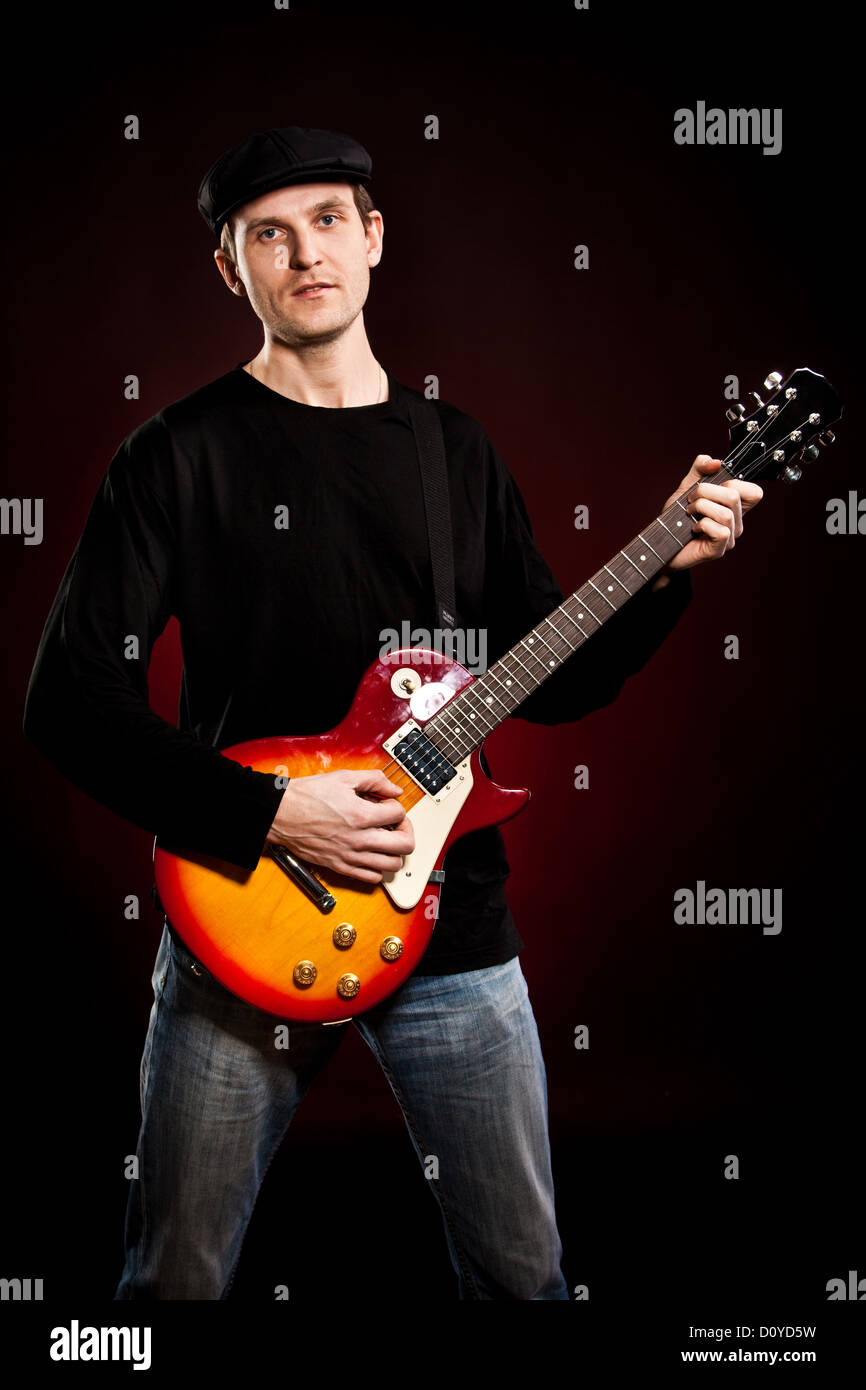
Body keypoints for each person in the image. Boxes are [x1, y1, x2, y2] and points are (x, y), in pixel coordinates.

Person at [22, 126, 762, 1300]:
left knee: (525, 1283)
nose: (301, 250)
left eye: (326, 220)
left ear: (372, 240)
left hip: (449, 932)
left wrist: (667, 566)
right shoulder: (171, 460)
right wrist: (273, 816)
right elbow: (69, 703)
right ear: (232, 269)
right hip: (246, 926)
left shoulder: (451, 452)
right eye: (267, 232)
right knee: (172, 1285)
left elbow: (552, 675)